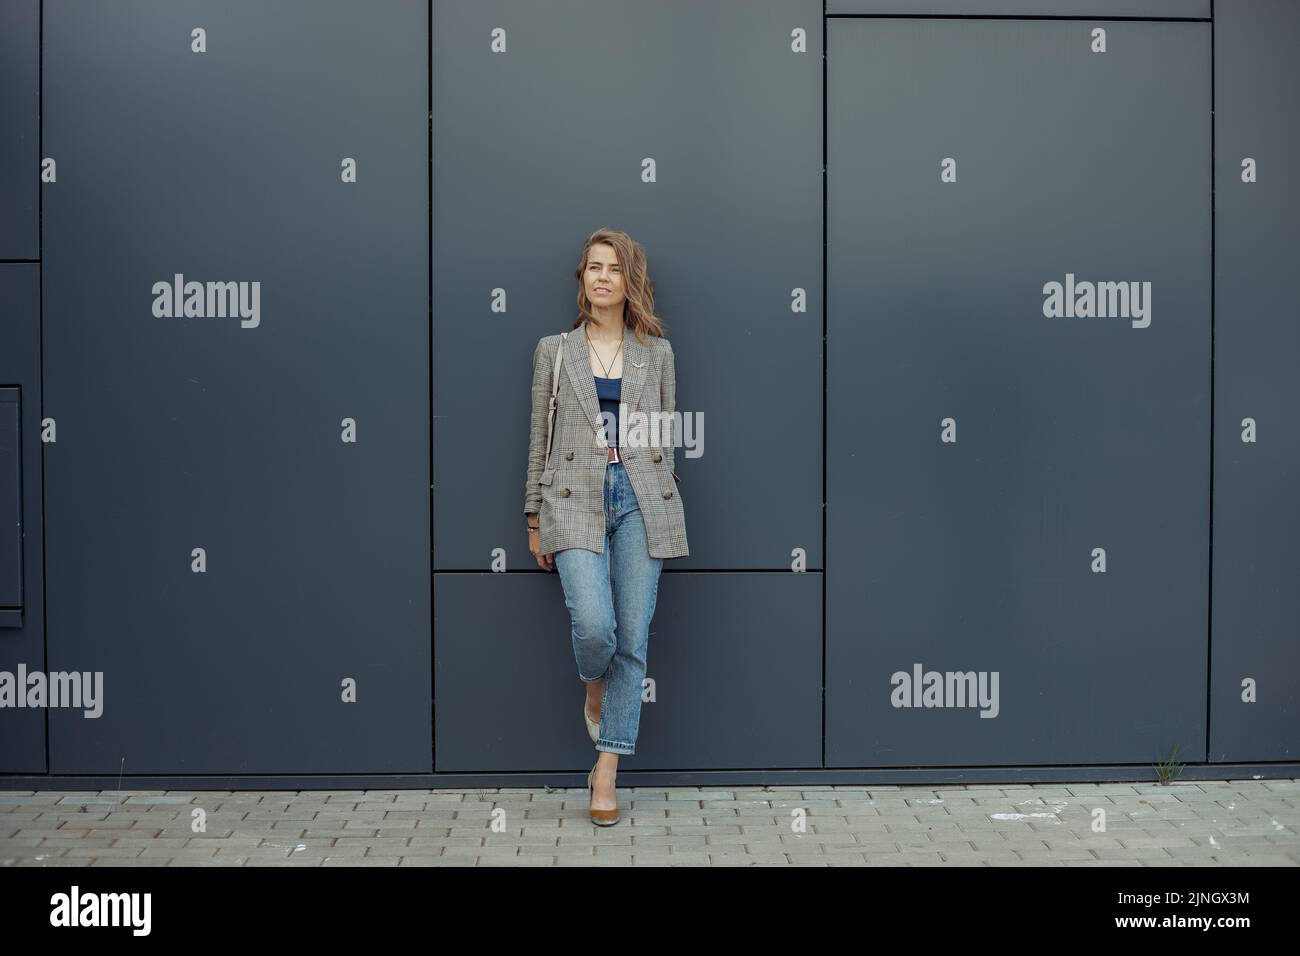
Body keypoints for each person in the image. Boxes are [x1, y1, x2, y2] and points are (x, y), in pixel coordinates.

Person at [523, 227, 689, 826]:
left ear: (628, 282)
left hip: (641, 501)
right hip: (572, 500)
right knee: (597, 629)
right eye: (593, 266)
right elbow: (539, 436)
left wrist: (660, 496)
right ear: (582, 279)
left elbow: (664, 441)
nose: (601, 277)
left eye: (613, 269)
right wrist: (534, 514)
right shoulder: (554, 351)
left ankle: (607, 770)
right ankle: (594, 686)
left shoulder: (657, 354)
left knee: (633, 642)